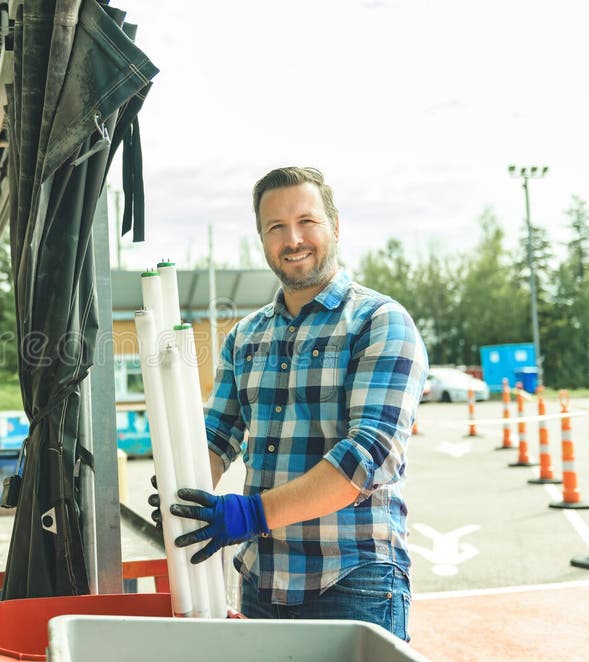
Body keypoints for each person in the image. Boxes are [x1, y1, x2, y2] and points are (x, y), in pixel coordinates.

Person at [152, 166, 427, 640]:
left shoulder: (380, 322)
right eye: (276, 227)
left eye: (307, 221)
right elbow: (215, 437)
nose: (293, 239)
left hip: (352, 584)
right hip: (261, 585)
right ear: (262, 239)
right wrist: (187, 484)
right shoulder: (246, 336)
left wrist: (251, 514)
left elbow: (365, 458)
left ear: (335, 228)